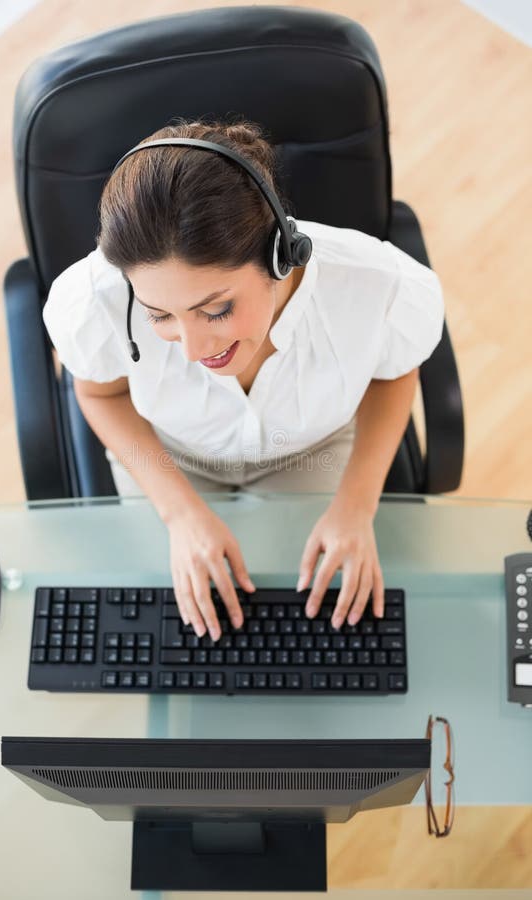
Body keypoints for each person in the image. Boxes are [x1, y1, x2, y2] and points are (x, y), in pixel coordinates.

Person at [42, 118, 444, 642]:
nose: (193, 348)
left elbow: (393, 374)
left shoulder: (375, 286)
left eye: (216, 308)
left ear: (280, 253)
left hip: (312, 453)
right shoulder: (97, 300)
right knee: (175, 631)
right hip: (171, 458)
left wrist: (355, 506)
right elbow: (97, 392)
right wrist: (180, 514)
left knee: (313, 627)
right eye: (159, 315)